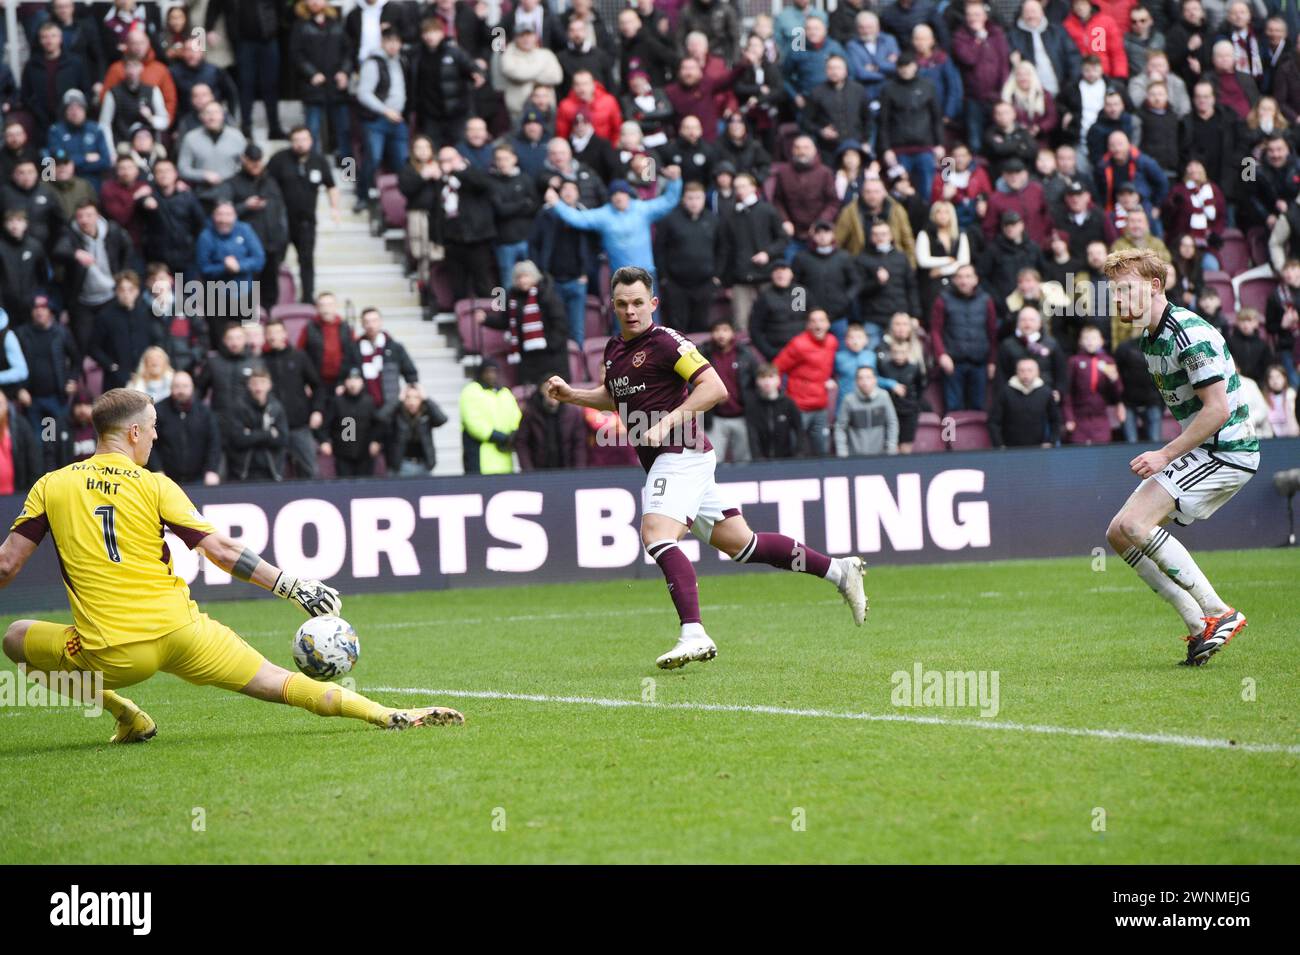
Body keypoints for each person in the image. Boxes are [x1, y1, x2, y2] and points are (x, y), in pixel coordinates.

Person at [0, 388, 463, 739]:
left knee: (16, 638)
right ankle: (381, 713)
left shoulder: (50, 485)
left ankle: (124, 712)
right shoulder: (155, 485)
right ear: (134, 432)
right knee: (278, 681)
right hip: (183, 634)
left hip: (111, 655)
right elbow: (219, 551)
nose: (157, 435)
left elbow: (6, 566)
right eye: (154, 426)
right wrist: (291, 585)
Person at [543, 266, 867, 670]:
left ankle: (693, 632)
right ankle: (839, 571)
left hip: (681, 452)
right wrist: (572, 395)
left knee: (657, 535)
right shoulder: (613, 350)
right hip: (674, 459)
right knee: (744, 545)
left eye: (639, 303)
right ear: (612, 305)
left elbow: (715, 388)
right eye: (623, 304)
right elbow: (614, 397)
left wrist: (666, 422)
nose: (631, 311)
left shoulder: (666, 342)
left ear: (653, 304)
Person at [1102, 247, 1257, 666]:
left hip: (1228, 450)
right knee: (1118, 533)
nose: (1116, 299)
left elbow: (1218, 410)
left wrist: (1165, 454)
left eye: (1124, 289)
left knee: (1135, 523)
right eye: (1113, 291)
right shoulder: (1151, 339)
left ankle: (1219, 612)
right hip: (1208, 447)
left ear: (1154, 287)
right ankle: (1197, 626)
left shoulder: (1187, 332)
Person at [266, 127, 340, 304]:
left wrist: (335, 208)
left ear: (311, 140)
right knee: (276, 262)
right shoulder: (279, 159)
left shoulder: (319, 160)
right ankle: (272, 299)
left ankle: (307, 299)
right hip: (281, 221)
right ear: (291, 141)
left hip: (306, 221)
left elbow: (331, 185)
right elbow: (266, 185)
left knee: (306, 261)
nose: (300, 143)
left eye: (304, 139)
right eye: (296, 140)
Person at [773, 309, 839, 456]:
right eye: (813, 321)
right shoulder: (798, 344)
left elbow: (826, 367)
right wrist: (779, 396)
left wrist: (830, 379)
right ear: (808, 325)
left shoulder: (832, 342)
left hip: (821, 407)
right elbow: (777, 367)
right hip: (799, 408)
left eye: (821, 320)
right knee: (797, 452)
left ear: (828, 324)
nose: (818, 325)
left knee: (823, 452)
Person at [698, 317, 755, 464]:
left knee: (744, 463)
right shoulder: (702, 353)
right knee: (712, 462)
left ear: (733, 333)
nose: (721, 334)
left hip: (742, 416)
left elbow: (755, 382)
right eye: (717, 330)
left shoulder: (745, 354)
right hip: (714, 417)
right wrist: (711, 396)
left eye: (725, 330)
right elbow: (690, 383)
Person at [150, 370, 222, 485]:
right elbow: (150, 444)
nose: (181, 390)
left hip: (199, 479)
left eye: (185, 386)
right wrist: (157, 470)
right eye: (177, 386)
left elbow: (214, 443)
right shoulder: (158, 411)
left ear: (192, 388)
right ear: (171, 388)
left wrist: (211, 470)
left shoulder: (204, 412)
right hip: (166, 480)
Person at [1063, 323, 1122, 443]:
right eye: (1086, 338)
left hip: (1100, 418)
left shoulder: (1107, 361)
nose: (1090, 341)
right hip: (1079, 418)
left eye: (1094, 338)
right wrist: (1069, 417)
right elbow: (1067, 392)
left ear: (1101, 341)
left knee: (1101, 452)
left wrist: (1114, 379)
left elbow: (1117, 393)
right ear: (1080, 341)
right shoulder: (1074, 361)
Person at [460, 360, 522, 475]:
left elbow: (516, 418)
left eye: (494, 372)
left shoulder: (505, 393)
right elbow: (474, 423)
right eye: (487, 372)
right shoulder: (471, 391)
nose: (491, 375)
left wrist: (513, 435)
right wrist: (502, 438)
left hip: (505, 457)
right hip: (479, 458)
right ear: (480, 373)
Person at [320, 367, 382, 477]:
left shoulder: (369, 402)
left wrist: (376, 441)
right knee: (345, 486)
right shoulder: (336, 402)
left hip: (364, 454)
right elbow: (325, 425)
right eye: (350, 380)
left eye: (356, 380)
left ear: (362, 382)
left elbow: (377, 425)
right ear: (345, 382)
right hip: (342, 454)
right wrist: (324, 441)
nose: (353, 384)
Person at [988, 355, 1062, 447]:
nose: (1026, 374)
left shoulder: (1046, 392)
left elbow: (1056, 420)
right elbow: (993, 422)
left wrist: (1052, 441)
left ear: (1037, 372)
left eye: (1030, 370)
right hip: (1009, 449)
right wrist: (999, 445)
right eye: (1022, 370)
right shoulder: (1005, 392)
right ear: (1016, 372)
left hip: (1039, 449)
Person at [517, 382, 587, 470]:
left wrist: (578, 472)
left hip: (568, 472)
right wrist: (529, 471)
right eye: (548, 390)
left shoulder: (573, 413)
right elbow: (522, 442)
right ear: (541, 392)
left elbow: (579, 444)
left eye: (556, 390)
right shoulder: (530, 413)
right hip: (538, 474)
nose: (552, 394)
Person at [834, 365, 899, 457]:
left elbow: (892, 423)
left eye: (868, 378)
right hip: (855, 457)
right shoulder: (848, 400)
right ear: (856, 382)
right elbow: (840, 428)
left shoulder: (884, 397)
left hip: (880, 456)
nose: (865, 382)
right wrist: (842, 454)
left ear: (875, 379)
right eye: (861, 378)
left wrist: (891, 448)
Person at [387, 383, 448, 476]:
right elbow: (381, 418)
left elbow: (442, 419)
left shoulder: (426, 414)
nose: (412, 402)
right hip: (402, 465)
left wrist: (427, 399)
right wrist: (398, 400)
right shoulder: (398, 414)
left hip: (424, 465)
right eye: (408, 397)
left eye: (416, 397)